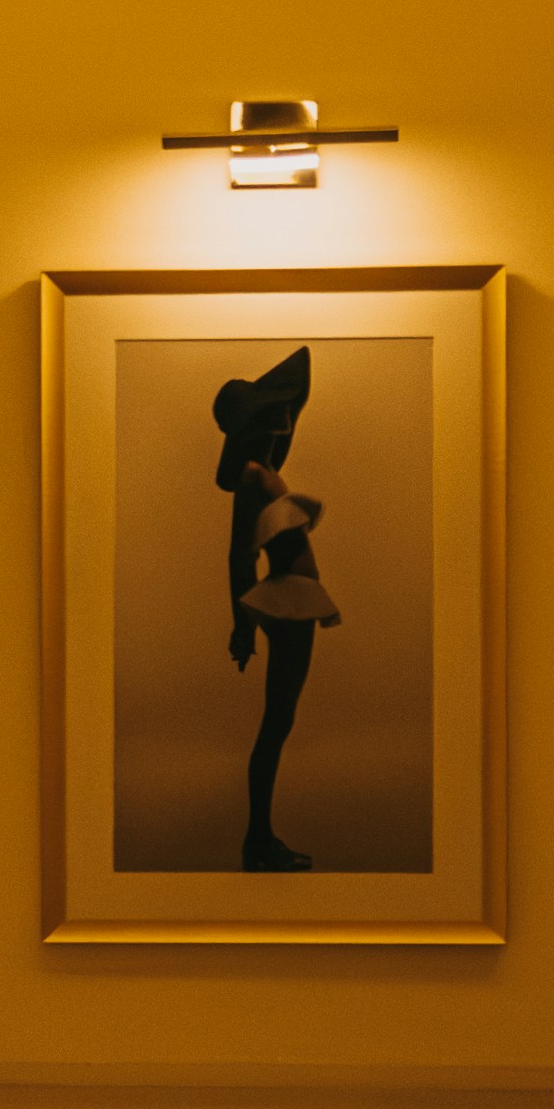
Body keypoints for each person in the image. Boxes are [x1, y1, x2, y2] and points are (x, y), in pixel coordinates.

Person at [215, 348, 336, 873]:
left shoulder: (263, 471)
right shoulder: (252, 477)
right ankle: (257, 840)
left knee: (279, 721)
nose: (286, 413)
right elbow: (239, 556)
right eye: (274, 407)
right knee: (276, 722)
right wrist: (244, 626)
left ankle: (259, 838)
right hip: (285, 601)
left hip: (291, 600)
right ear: (257, 420)